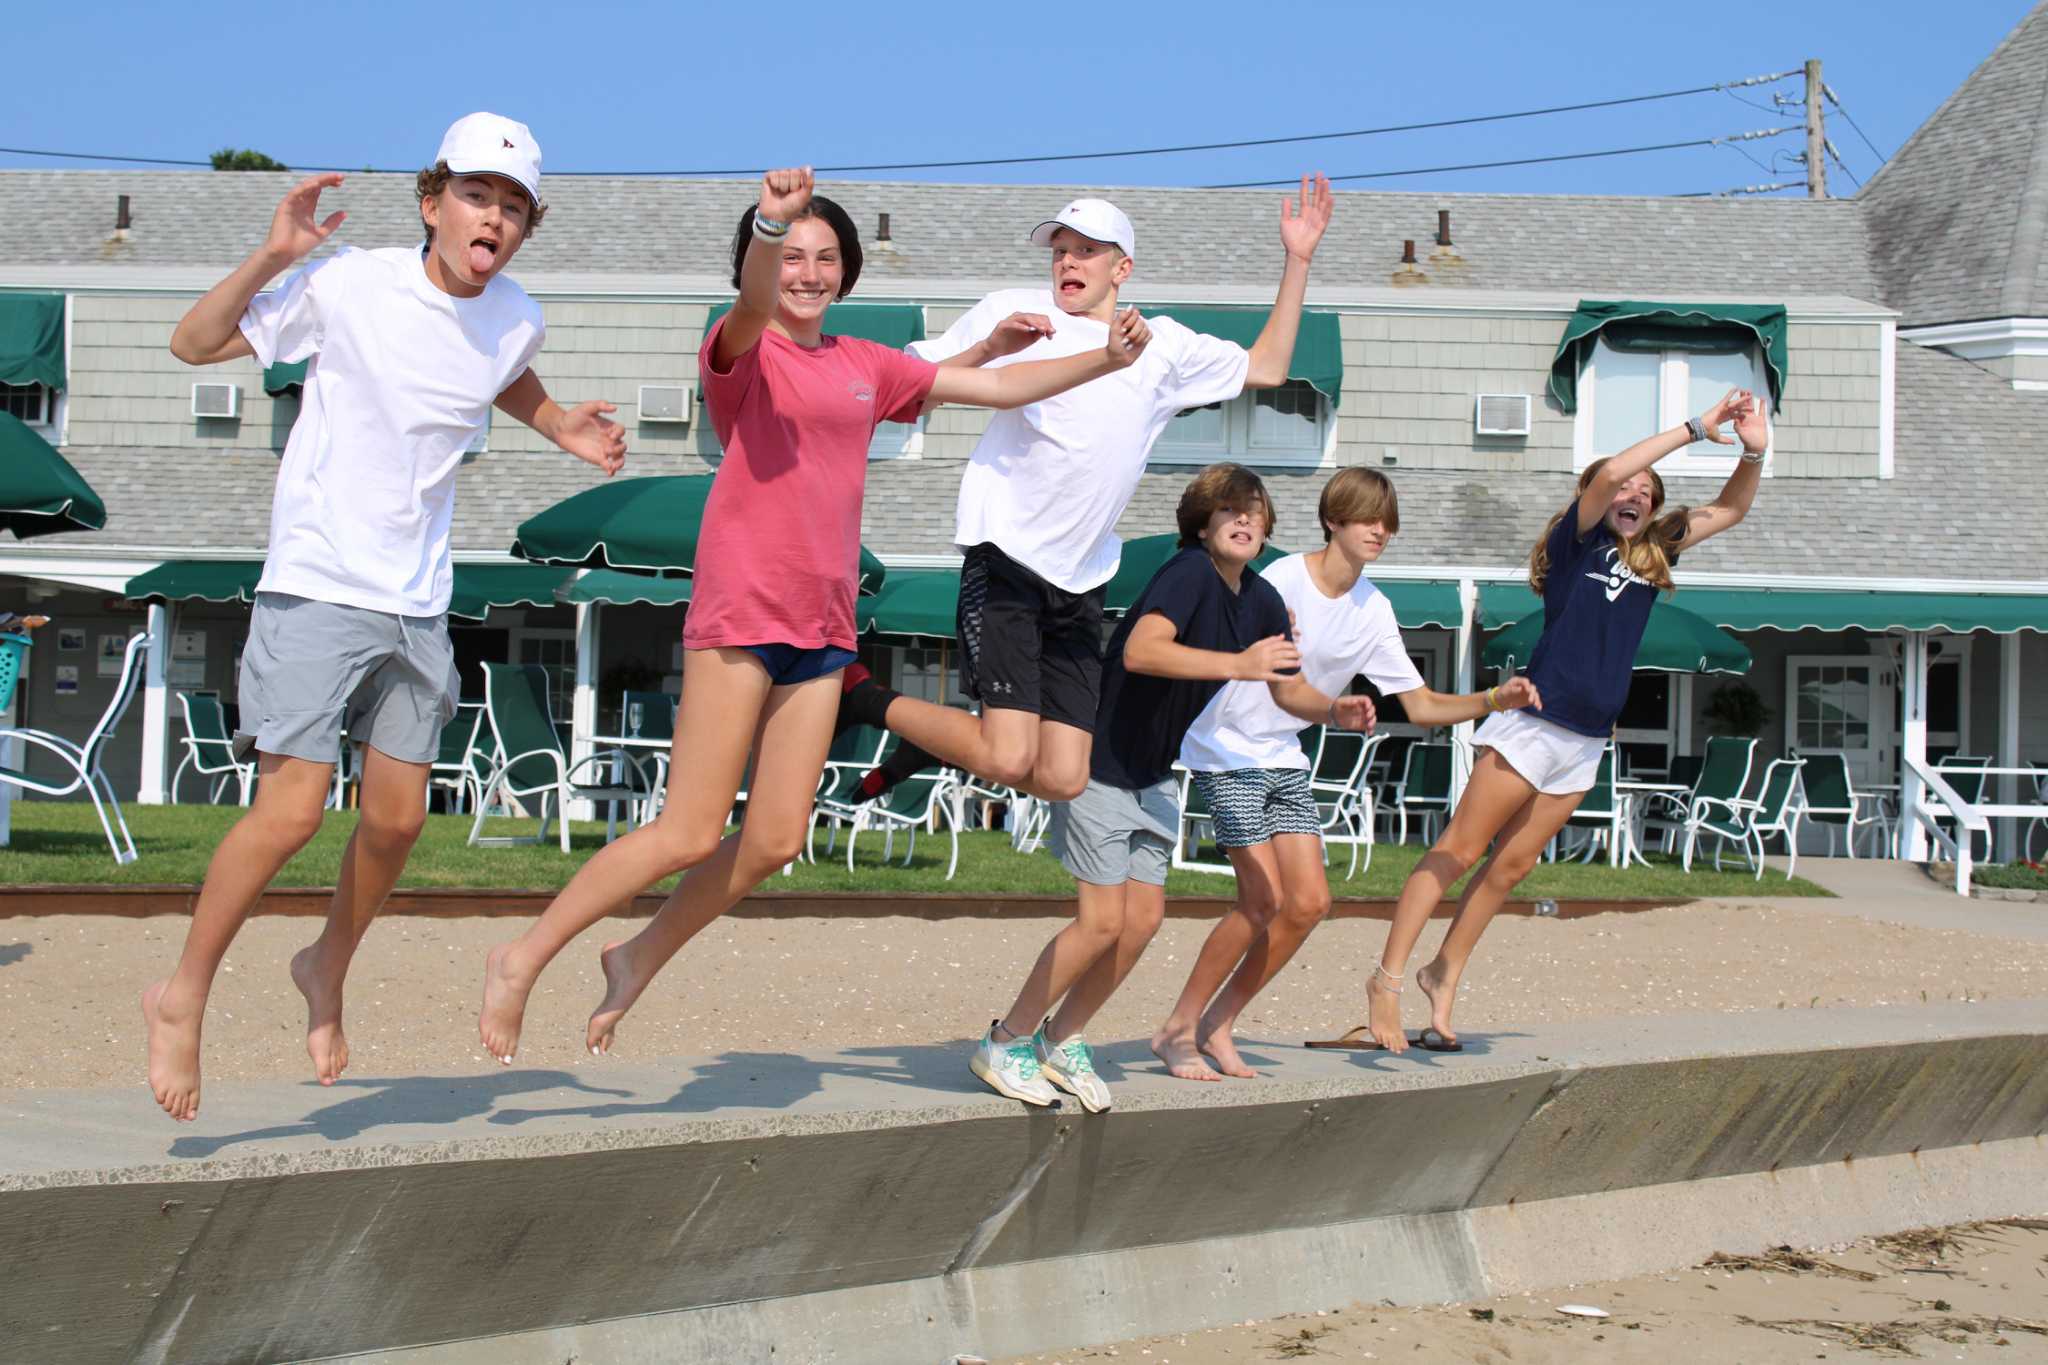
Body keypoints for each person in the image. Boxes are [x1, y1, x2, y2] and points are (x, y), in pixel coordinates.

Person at [476, 168, 1159, 1063]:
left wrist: (1101, 358)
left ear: (846, 272)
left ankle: (637, 954)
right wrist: (770, 225)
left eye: (825, 257)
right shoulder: (743, 348)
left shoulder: (864, 363)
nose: (808, 272)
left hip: (825, 624)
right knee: (690, 829)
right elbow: (753, 302)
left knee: (773, 840)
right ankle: (522, 955)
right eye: (792, 256)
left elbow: (986, 389)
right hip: (743, 609)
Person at [143, 114, 629, 1121]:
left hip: (417, 602)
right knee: (291, 812)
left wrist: (555, 421)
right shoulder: (351, 283)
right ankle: (181, 992)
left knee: (401, 818)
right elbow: (192, 344)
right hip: (319, 579)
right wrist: (273, 255)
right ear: (431, 203)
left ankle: (326, 961)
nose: (493, 217)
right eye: (476, 195)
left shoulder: (518, 318)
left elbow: (494, 367)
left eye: (513, 206)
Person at [837, 176, 1334, 807]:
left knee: (1064, 779)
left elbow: (1268, 368)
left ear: (1122, 269)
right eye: (1059, 250)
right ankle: (866, 698)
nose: (1068, 262)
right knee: (1007, 754)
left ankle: (928, 737)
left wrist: (1298, 259)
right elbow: (912, 387)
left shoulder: (1162, 345)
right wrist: (990, 347)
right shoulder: (1013, 311)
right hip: (1008, 559)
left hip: (1080, 581)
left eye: (1086, 250)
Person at [1343, 390, 1768, 1055]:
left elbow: (1733, 508)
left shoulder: (1652, 553)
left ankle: (1442, 973)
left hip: (1586, 741)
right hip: (1534, 723)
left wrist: (1753, 451)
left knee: (1511, 867)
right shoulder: (1581, 543)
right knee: (1458, 851)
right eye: (1624, 485)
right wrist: (1695, 427)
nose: (1633, 493)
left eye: (1647, 492)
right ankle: (1387, 980)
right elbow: (1609, 473)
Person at [971, 463, 1374, 1112]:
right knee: (1102, 922)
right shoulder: (1189, 573)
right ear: (1202, 524)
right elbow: (1143, 651)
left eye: (1254, 511)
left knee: (1143, 921)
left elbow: (1286, 687)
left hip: (1154, 773)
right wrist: (1236, 663)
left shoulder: (1260, 598)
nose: (1243, 520)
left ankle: (1060, 1038)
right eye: (1229, 510)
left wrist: (1332, 709)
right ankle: (1005, 1040)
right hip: (1100, 763)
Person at [1155, 468, 1541, 1080]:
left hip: (1282, 754)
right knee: (1262, 899)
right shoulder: (1278, 580)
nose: (1379, 530)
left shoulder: (1373, 609)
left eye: (1387, 522)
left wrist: (1494, 699)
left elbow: (1421, 706)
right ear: (1333, 520)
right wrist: (1321, 701)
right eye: (1366, 518)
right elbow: (1231, 650)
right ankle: (1178, 1028)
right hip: (1222, 748)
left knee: (1309, 904)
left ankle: (1218, 1022)